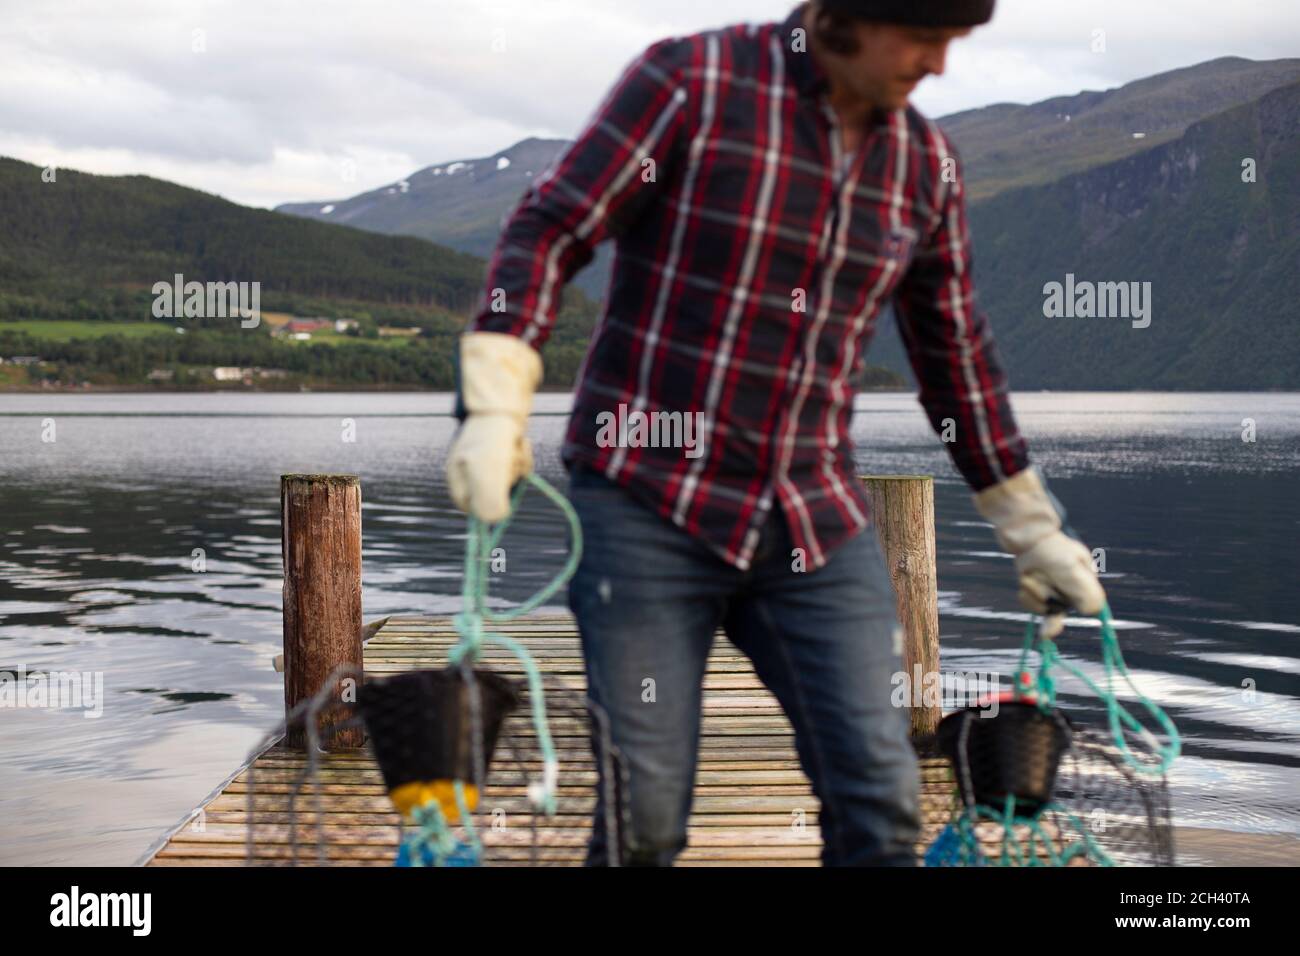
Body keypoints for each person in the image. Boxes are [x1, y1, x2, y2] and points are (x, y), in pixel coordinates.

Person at [446, 0, 1106, 865]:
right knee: (644, 818)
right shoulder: (691, 82)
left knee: (881, 800)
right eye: (923, 37)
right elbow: (550, 228)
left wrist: (1030, 525)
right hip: (646, 500)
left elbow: (955, 357)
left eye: (954, 43)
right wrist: (497, 399)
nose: (938, 65)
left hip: (813, 519)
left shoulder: (923, 163)